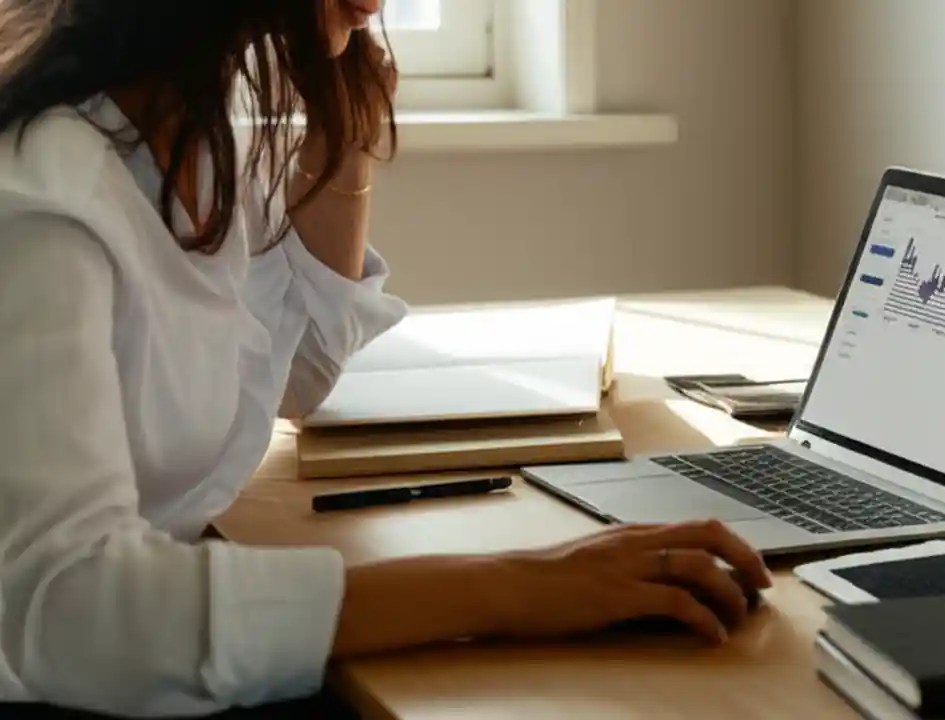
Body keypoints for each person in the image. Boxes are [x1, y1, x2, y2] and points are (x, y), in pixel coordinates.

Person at [0, 1, 771, 716]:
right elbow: (72, 613)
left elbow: (292, 378)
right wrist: (517, 585)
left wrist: (347, 140)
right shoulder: (43, 197)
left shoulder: (183, 132)